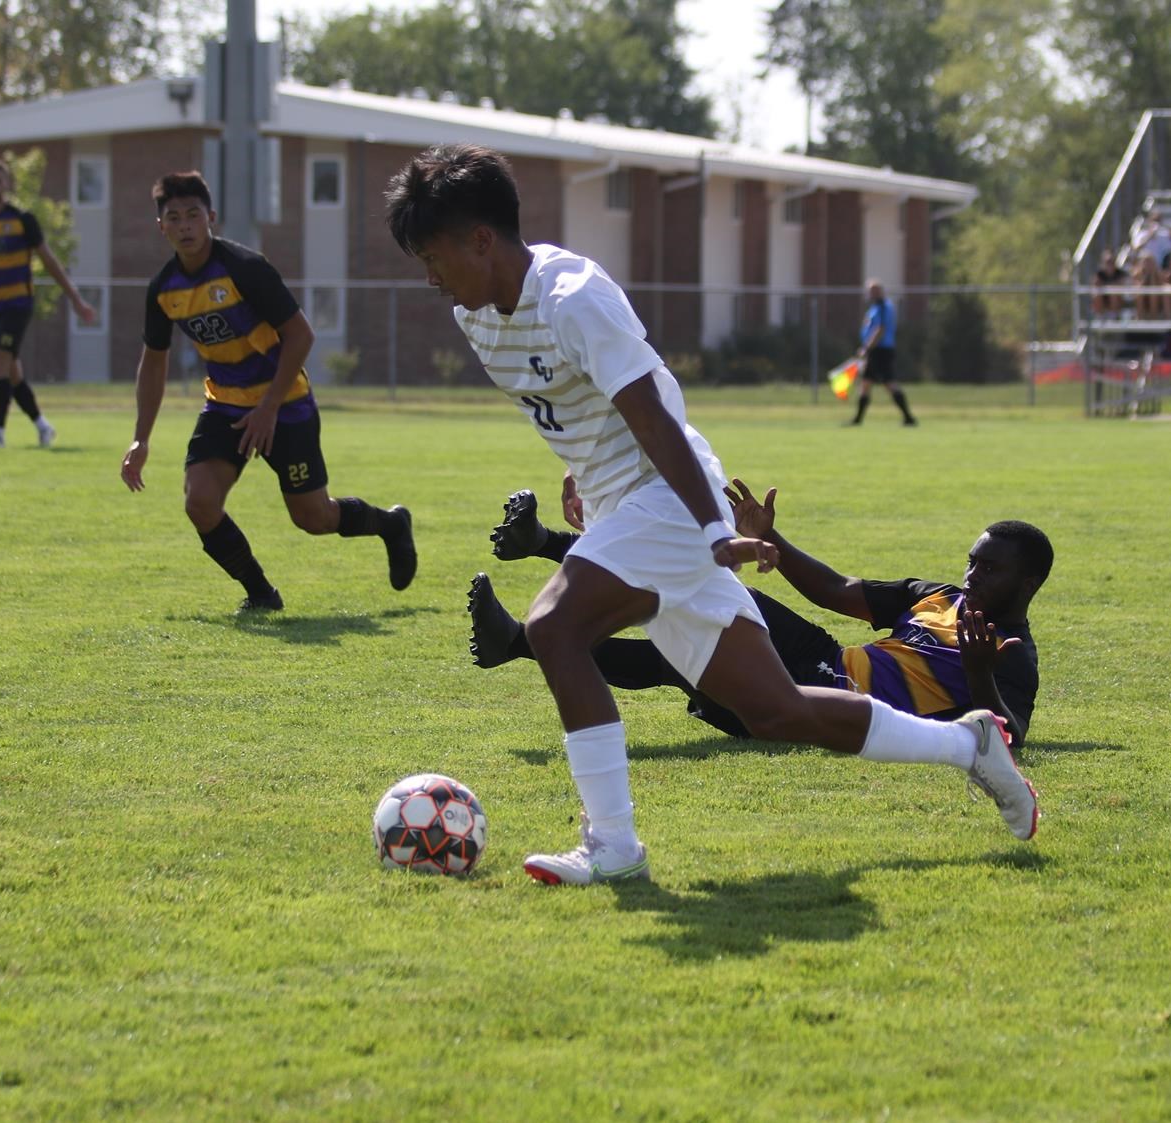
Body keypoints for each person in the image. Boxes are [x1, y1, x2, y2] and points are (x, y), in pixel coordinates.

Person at [383, 143, 1038, 885]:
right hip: (623, 503)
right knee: (776, 710)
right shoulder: (479, 316)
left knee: (555, 627)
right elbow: (575, 399)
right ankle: (971, 745)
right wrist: (578, 468)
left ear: (480, 238)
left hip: (669, 495)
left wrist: (713, 529)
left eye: (434, 255)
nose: (430, 278)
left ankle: (614, 843)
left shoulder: (574, 297)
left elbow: (657, 417)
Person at [467, 485, 1049, 747]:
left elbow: (1011, 738)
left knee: (685, 653)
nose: (972, 577)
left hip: (826, 700)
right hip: (827, 657)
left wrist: (977, 676)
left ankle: (519, 639)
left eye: (989, 571)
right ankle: (544, 542)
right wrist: (772, 538)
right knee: (705, 584)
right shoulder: (940, 596)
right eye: (972, 563)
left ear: (1028, 584)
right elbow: (835, 588)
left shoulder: (1011, 655)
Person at [118, 171, 417, 612]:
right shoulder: (164, 290)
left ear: (211, 218)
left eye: (193, 216)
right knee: (199, 502)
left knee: (313, 518)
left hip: (287, 405)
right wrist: (141, 438)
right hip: (224, 407)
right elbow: (154, 362)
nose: (184, 226)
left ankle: (390, 524)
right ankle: (260, 593)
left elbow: (301, 336)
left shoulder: (245, 268)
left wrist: (269, 407)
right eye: (174, 218)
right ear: (161, 226)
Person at [0, 155, 97, 450]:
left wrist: (76, 300)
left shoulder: (22, 220)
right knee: (10, 371)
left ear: (7, 184)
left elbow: (50, 261)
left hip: (18, 303)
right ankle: (43, 427)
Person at [848, 279, 916, 426]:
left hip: (881, 350)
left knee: (889, 382)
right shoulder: (874, 308)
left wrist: (866, 347)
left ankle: (909, 417)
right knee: (865, 383)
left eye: (875, 290)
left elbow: (880, 329)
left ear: (880, 291)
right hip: (874, 351)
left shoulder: (884, 307)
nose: (872, 293)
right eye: (870, 290)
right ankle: (858, 420)